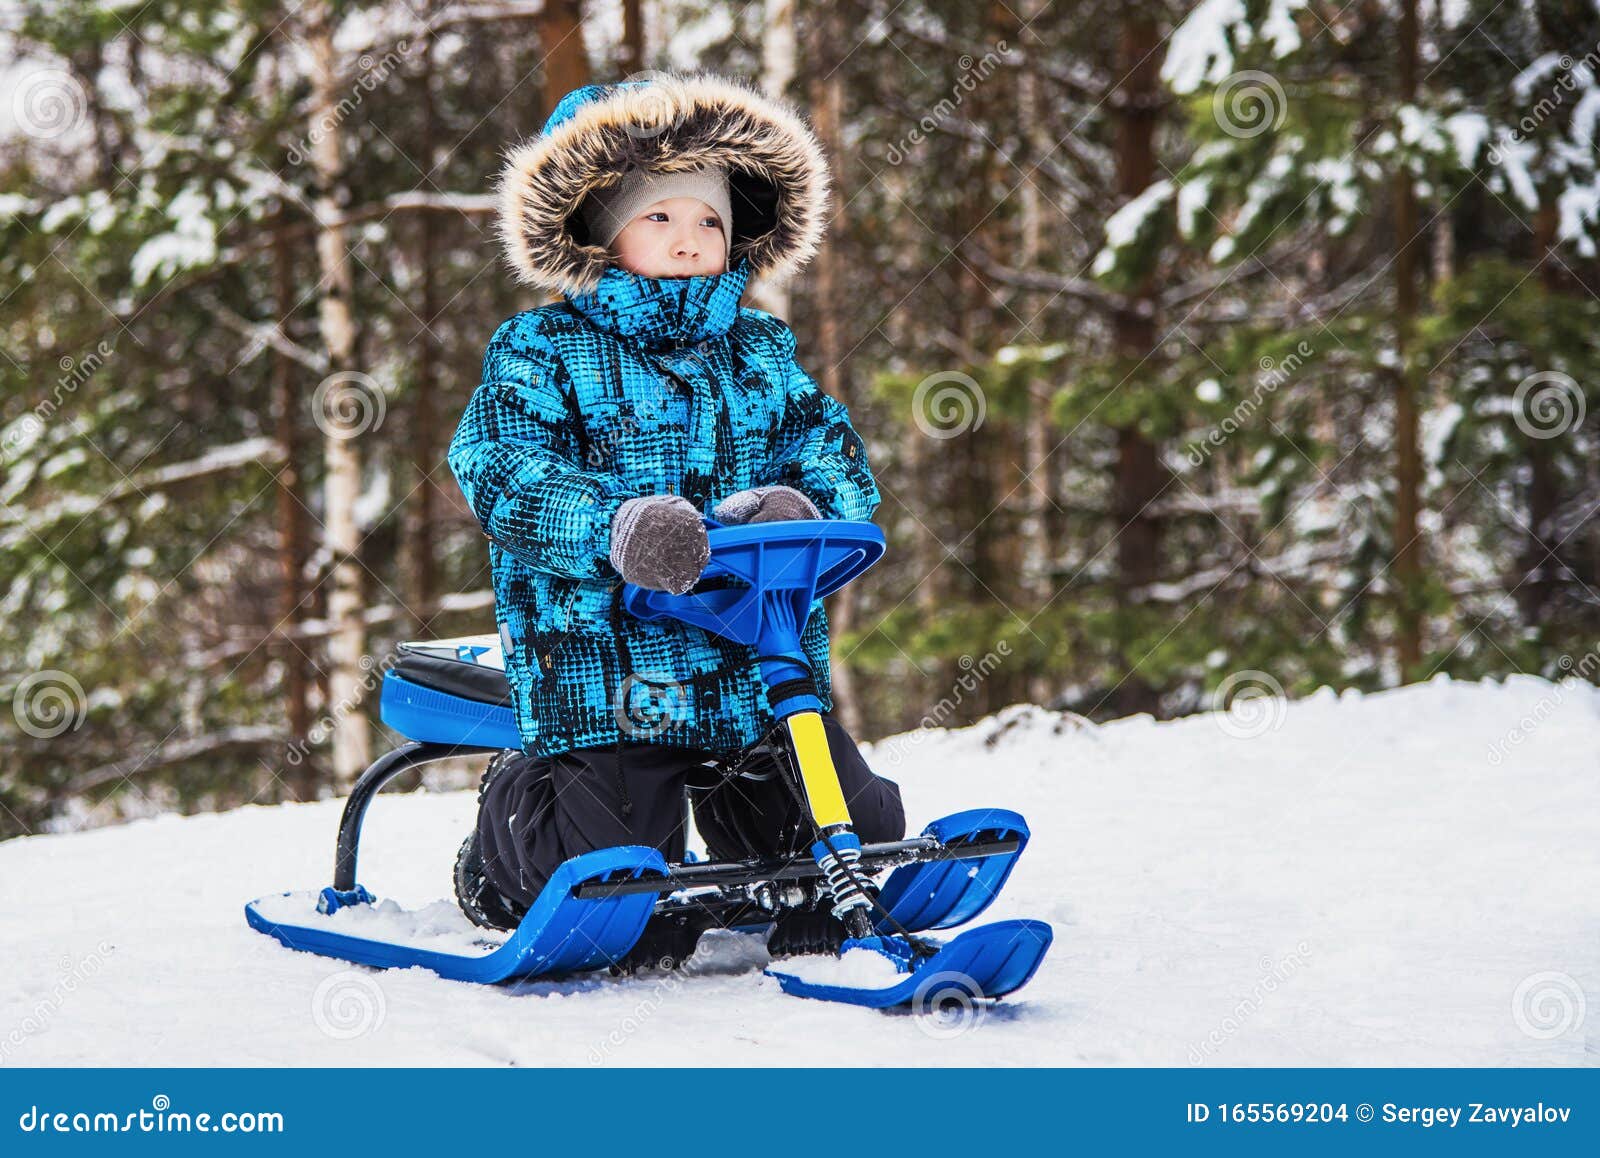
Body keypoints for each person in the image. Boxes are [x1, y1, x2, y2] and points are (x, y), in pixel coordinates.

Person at [446, 74, 905, 970]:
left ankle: (802, 879)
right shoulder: (542, 351)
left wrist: (801, 508)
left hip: (752, 662)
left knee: (851, 813)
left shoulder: (761, 351)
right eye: (659, 217)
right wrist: (613, 526)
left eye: (709, 220)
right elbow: (501, 468)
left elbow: (830, 449)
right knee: (609, 864)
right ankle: (507, 840)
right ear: (594, 227)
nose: (691, 240)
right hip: (607, 664)